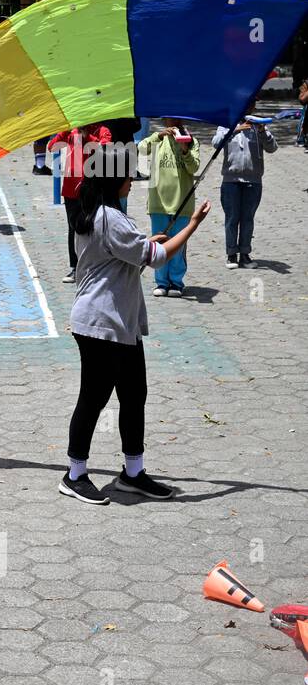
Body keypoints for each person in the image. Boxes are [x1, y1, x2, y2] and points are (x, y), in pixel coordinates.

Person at [59, 168, 211, 505]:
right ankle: (74, 475)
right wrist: (192, 225)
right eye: (127, 177)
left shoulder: (96, 214)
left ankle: (133, 473)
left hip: (119, 324)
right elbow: (156, 260)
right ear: (113, 181)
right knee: (93, 399)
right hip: (102, 325)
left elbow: (123, 256)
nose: (131, 182)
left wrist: (145, 244)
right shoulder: (110, 218)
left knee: (133, 395)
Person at [138, 119, 200, 296]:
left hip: (182, 203)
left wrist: (185, 149)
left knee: (178, 245)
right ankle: (161, 282)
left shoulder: (192, 140)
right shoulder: (158, 139)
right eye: (169, 118)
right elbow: (141, 149)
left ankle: (176, 282)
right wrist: (158, 135)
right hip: (158, 202)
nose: (173, 122)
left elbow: (194, 167)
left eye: (177, 118)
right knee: (159, 243)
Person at [48, 122, 113, 283]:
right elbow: (52, 147)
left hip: (93, 189)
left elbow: (107, 150)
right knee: (73, 228)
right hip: (71, 190)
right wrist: (64, 132)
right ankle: (75, 267)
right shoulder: (72, 132)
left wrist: (88, 137)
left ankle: (95, 267)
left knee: (94, 227)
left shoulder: (102, 130)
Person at [214, 106, 277, 268]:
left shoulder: (258, 124)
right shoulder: (227, 123)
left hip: (253, 181)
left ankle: (245, 254)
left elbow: (272, 148)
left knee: (248, 218)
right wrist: (235, 129)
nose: (249, 107)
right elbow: (216, 143)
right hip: (231, 180)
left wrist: (263, 131)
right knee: (232, 218)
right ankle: (231, 254)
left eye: (252, 104)